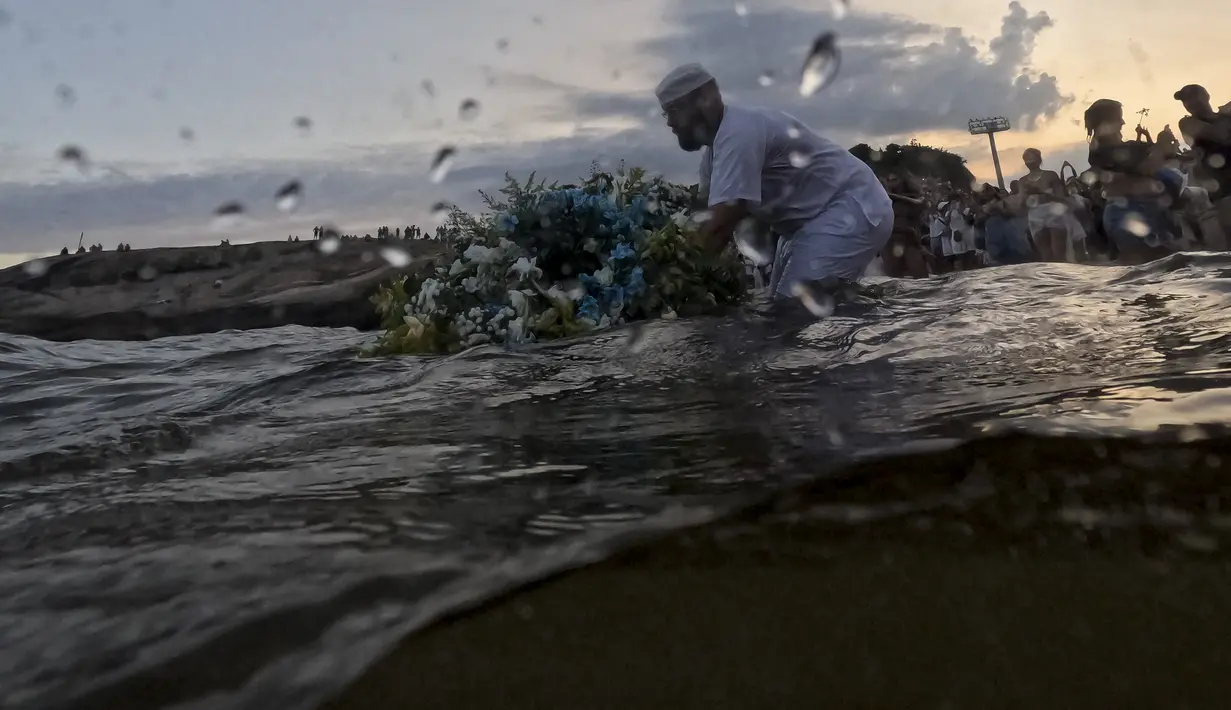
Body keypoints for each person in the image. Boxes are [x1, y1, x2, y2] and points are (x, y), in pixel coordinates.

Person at [655, 63, 893, 300]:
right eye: (666, 112)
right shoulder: (713, 156)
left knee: (792, 309)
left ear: (704, 101)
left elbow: (720, 225)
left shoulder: (738, 133)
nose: (669, 123)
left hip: (852, 209)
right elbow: (704, 219)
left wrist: (672, 285)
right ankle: (866, 303)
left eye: (674, 110)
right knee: (779, 305)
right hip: (812, 222)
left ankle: (885, 319)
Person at [1084, 98, 1178, 263]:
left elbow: (1149, 154)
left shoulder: (1123, 147)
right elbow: (1147, 167)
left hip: (1146, 210)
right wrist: (1162, 145)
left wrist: (1161, 146)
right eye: (1119, 118)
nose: (1123, 122)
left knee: (1160, 268)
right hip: (1128, 214)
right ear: (1106, 122)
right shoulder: (1103, 149)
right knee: (1147, 269)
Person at [1019, 148, 1086, 262]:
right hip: (1035, 215)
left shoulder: (1050, 175)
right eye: (1027, 159)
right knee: (1045, 253)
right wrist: (1026, 196)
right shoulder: (1022, 181)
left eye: (1032, 158)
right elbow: (1022, 203)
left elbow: (1060, 197)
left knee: (1058, 250)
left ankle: (1064, 275)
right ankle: (1051, 278)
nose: (1029, 162)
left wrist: (1042, 192)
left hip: (1053, 211)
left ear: (1039, 160)